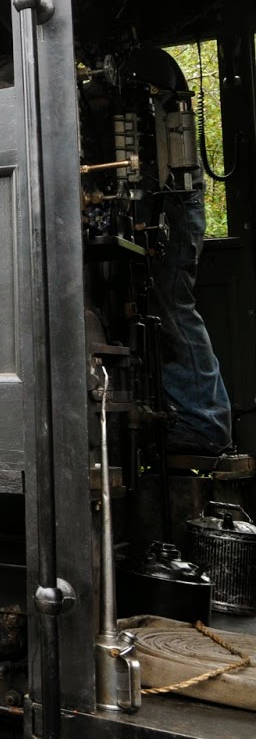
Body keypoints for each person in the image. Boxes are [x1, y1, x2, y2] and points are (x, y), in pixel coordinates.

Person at [131, 46, 235, 458]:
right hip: (170, 203)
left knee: (172, 305)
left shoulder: (152, 71)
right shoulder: (155, 69)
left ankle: (205, 423)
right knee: (164, 307)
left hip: (171, 205)